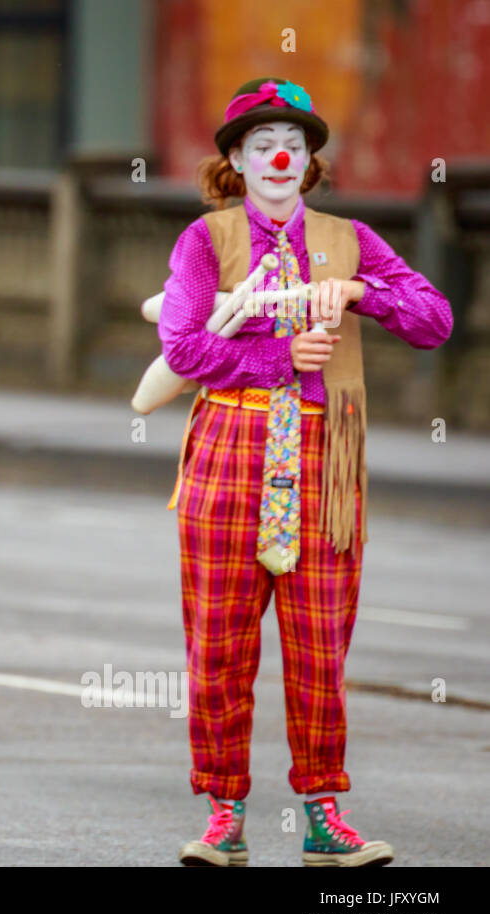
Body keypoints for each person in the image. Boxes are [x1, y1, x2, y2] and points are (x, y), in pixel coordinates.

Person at [158, 77, 452, 866]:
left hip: (330, 454)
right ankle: (224, 817)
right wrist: (276, 354)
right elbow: (183, 348)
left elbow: (434, 320)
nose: (279, 157)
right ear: (237, 160)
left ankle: (324, 816)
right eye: (260, 145)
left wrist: (360, 291)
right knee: (218, 645)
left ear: (310, 162)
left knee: (322, 645)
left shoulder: (352, 239)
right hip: (231, 449)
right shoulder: (206, 242)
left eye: (292, 145)